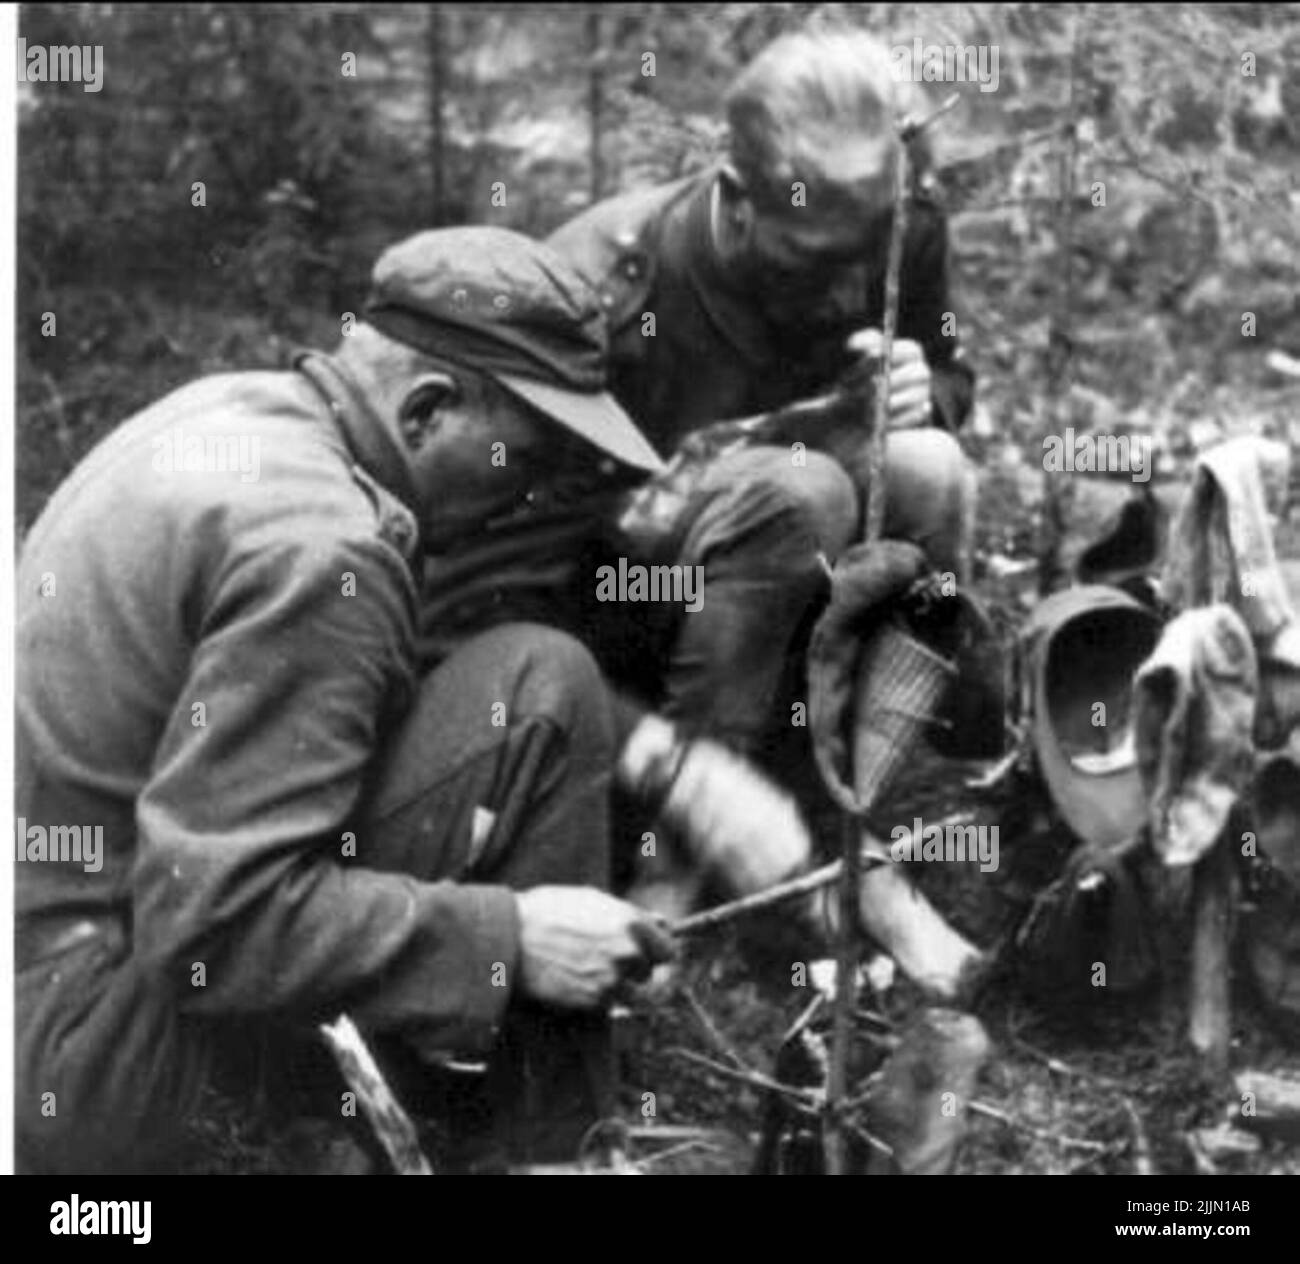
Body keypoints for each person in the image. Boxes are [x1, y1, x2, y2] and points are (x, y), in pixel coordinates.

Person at [15, 226, 697, 1175]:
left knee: (530, 677)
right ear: (425, 410)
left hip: (44, 972)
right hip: (91, 1065)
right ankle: (556, 1149)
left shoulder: (233, 413)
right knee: (548, 689)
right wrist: (512, 939)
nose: (533, 496)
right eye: (527, 459)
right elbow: (214, 928)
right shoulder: (326, 548)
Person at [543, 26, 986, 986]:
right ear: (736, 197)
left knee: (932, 469)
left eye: (858, 257)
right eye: (810, 262)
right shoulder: (610, 287)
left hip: (791, 592)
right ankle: (679, 855)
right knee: (800, 489)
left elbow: (949, 368)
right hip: (629, 610)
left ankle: (843, 806)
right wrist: (648, 749)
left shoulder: (894, 222)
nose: (840, 292)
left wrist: (930, 388)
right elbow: (525, 571)